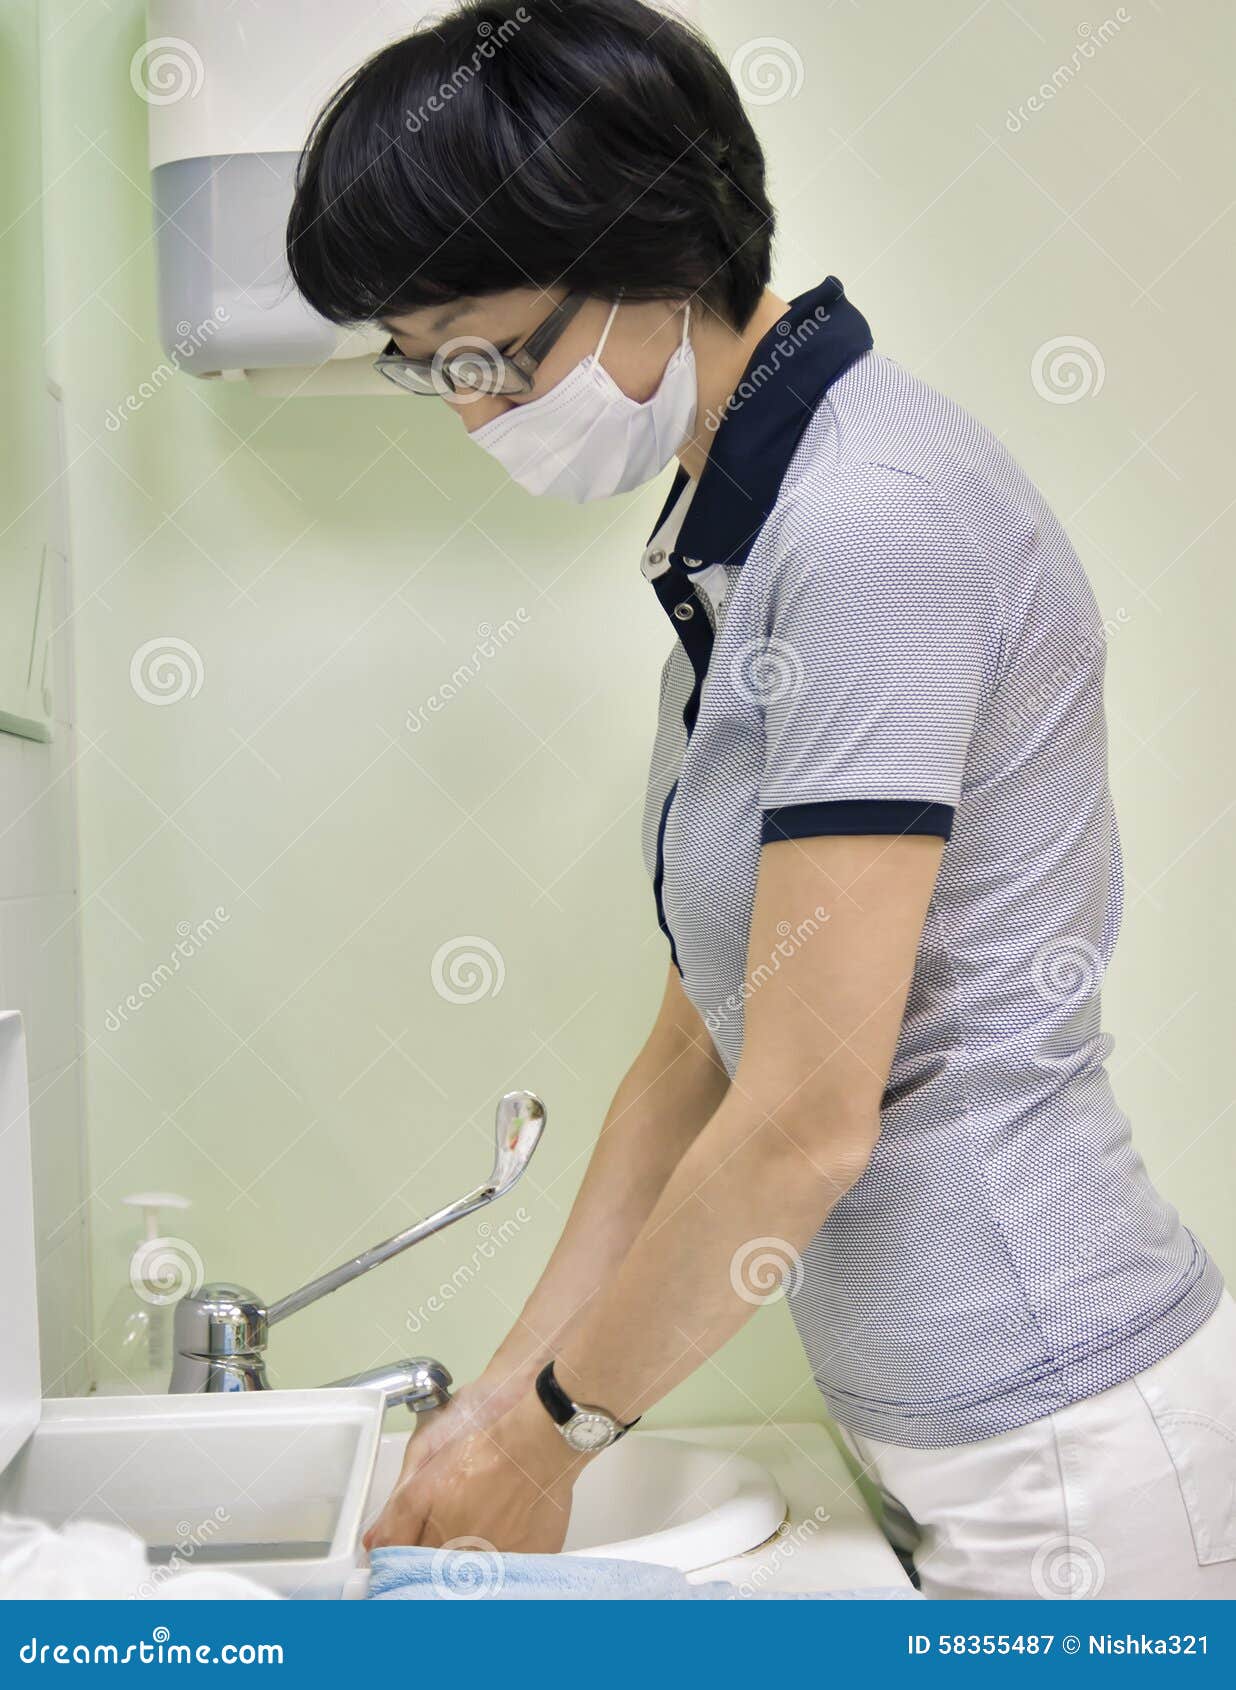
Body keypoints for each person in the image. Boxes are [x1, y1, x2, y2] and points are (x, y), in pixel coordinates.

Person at [285, 0, 1234, 1598]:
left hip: (1065, 1434)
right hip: (957, 1430)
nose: (466, 412)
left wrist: (554, 1438)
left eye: (485, 354)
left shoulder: (870, 524)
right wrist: (505, 1400)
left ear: (652, 261)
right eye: (420, 365)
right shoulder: (740, 543)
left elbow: (802, 1117)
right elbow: (694, 1052)